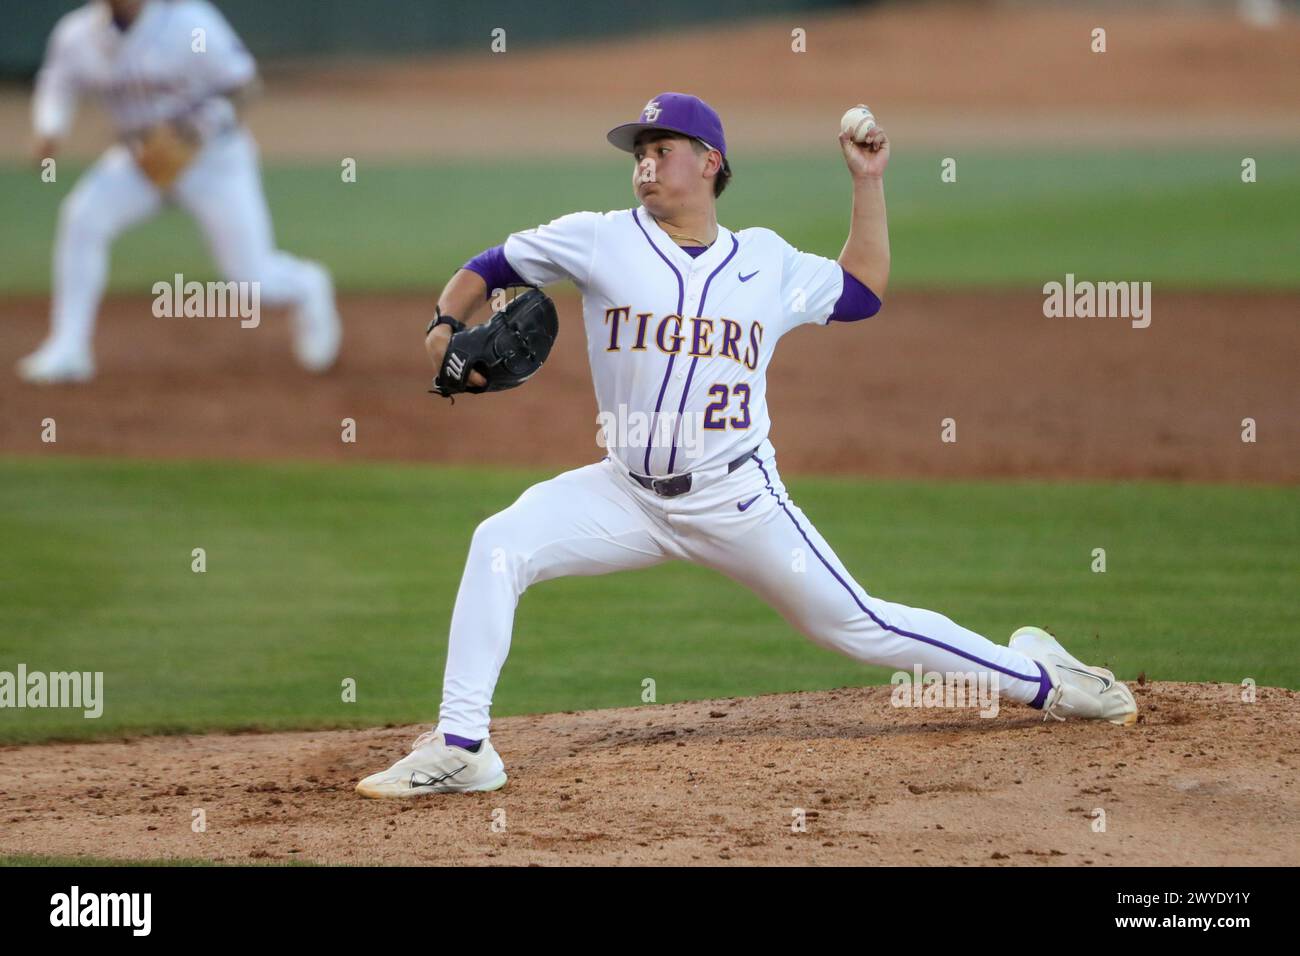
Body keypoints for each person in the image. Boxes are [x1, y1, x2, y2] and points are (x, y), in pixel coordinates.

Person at [357, 92, 1136, 798]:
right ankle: (463, 745)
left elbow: (861, 291)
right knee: (500, 544)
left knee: (860, 626)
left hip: (739, 498)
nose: (646, 164)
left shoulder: (764, 261)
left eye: (662, 149)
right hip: (624, 493)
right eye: (639, 152)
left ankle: (1049, 682)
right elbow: (489, 265)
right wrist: (442, 329)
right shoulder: (597, 240)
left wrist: (868, 183)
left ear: (709, 163)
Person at [18, 0, 340, 384]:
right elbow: (59, 82)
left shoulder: (190, 23)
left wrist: (191, 133)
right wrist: (50, 127)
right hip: (139, 163)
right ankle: (69, 348)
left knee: (252, 280)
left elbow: (243, 85)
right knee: (83, 217)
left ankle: (307, 286)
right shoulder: (78, 34)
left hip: (213, 162)